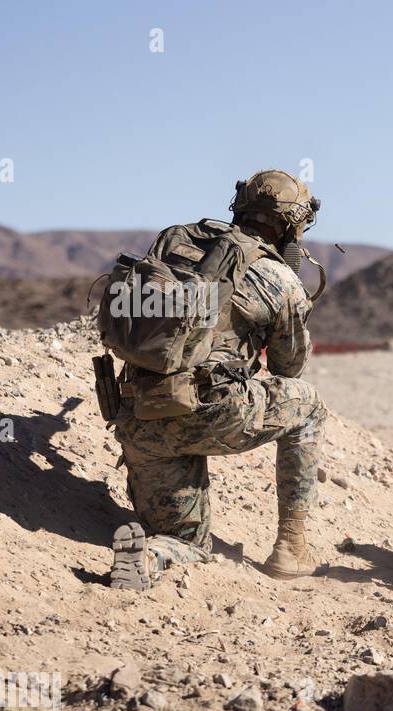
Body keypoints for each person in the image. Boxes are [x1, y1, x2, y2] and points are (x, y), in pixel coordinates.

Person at [107, 170, 328, 589]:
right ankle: (291, 548)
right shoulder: (281, 278)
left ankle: (152, 554)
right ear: (293, 226)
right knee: (309, 406)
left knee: (185, 538)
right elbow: (290, 369)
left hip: (140, 418)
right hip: (211, 412)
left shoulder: (172, 241)